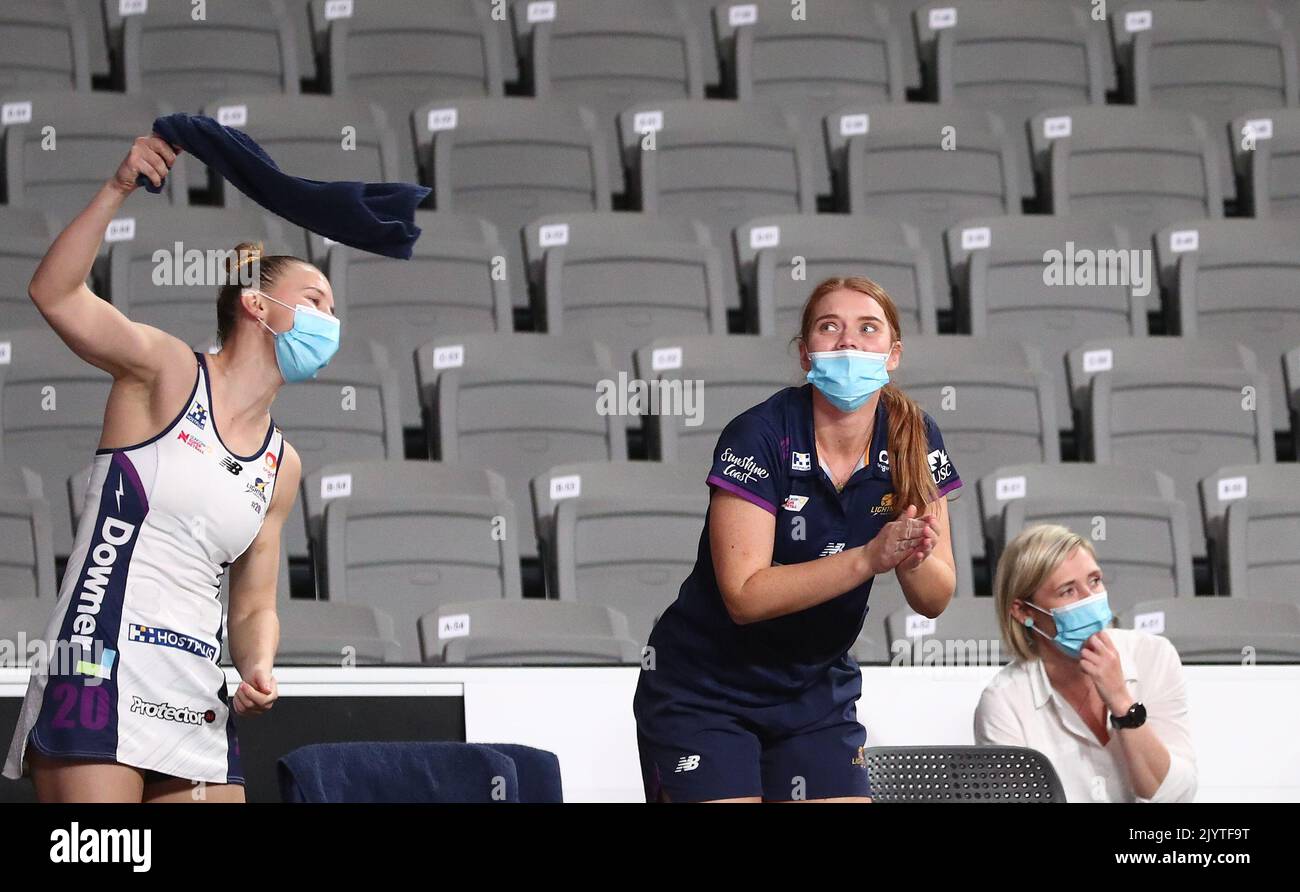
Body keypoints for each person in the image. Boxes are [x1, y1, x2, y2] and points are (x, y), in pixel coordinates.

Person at [2, 135, 340, 802]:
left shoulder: (283, 463)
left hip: (195, 687)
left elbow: (251, 605)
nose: (331, 320)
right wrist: (118, 186)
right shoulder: (166, 371)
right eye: (316, 300)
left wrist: (260, 664)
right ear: (257, 304)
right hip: (100, 663)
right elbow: (55, 293)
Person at [633, 276, 963, 802]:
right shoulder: (759, 434)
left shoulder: (912, 436)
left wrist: (912, 554)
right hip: (705, 690)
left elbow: (934, 599)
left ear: (893, 354)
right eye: (829, 327)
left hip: (814, 695)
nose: (848, 342)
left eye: (867, 328)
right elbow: (744, 596)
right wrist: (870, 557)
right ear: (807, 354)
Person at [974, 523, 1197, 802]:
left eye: (1094, 581)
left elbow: (1176, 795)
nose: (1090, 600)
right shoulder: (1004, 702)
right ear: (1024, 611)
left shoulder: (1153, 655)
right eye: (1068, 591)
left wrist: (1121, 703)